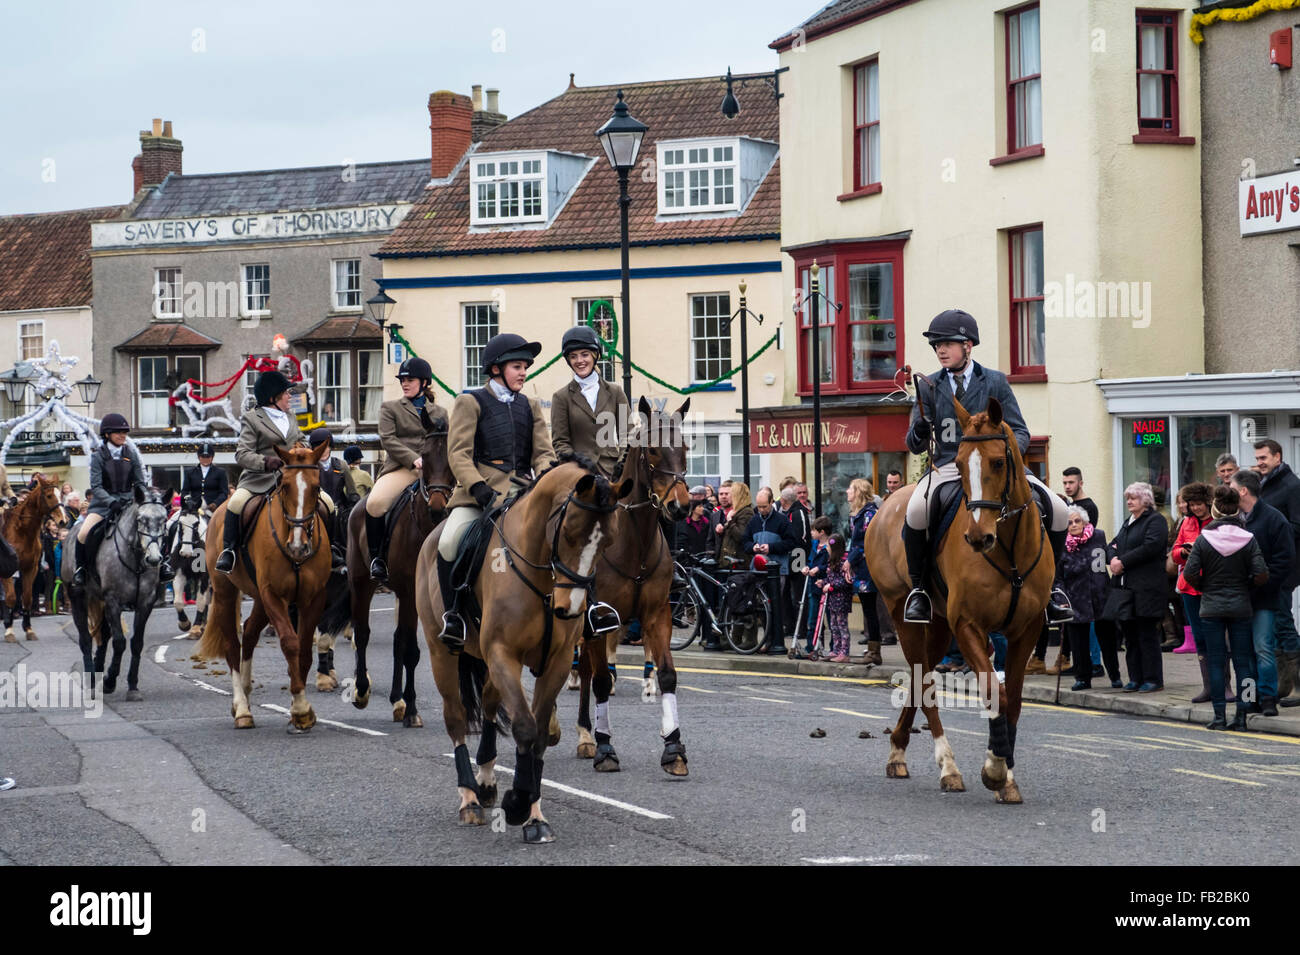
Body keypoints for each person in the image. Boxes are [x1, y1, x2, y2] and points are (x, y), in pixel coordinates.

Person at [902, 309, 1072, 624]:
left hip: (998, 467)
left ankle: (1053, 589)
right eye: (936, 345)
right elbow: (912, 444)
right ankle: (920, 591)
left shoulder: (994, 381)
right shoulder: (929, 386)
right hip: (951, 465)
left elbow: (1020, 430)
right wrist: (921, 431)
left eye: (947, 344)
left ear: (968, 345)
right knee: (915, 511)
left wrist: (1005, 457)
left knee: (1059, 510)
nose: (940, 350)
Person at [436, 333, 555, 650]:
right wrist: (478, 487)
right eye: (517, 366)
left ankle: (581, 613)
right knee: (448, 542)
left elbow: (543, 453)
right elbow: (458, 453)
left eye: (525, 367)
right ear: (496, 369)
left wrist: (546, 478)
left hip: (524, 493)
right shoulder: (470, 402)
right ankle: (455, 615)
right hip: (479, 496)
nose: (523, 373)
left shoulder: (530, 406)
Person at [215, 371, 341, 575]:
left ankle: (333, 548)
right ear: (273, 397)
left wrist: (304, 449)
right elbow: (242, 453)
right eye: (286, 393)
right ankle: (229, 551)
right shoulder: (252, 419)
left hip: (291, 478)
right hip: (260, 479)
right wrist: (266, 462)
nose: (289, 396)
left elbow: (301, 439)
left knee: (327, 503)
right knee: (236, 503)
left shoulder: (289, 417)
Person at [1182, 485, 1267, 731]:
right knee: (1245, 663)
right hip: (1241, 606)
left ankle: (1219, 715)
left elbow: (1189, 573)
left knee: (1217, 662)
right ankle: (1243, 713)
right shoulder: (1248, 539)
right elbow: (1261, 574)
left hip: (1211, 607)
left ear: (1216, 510)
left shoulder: (1204, 539)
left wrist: (1206, 585)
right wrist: (1246, 584)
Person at [363, 358, 448, 581]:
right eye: (403, 380)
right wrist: (414, 459)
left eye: (410, 380)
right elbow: (388, 439)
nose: (405, 383)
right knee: (375, 503)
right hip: (402, 468)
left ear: (424, 382)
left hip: (434, 471)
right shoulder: (390, 408)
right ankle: (377, 558)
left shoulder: (440, 412)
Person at [73, 414, 171, 588]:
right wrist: (111, 501)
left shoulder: (131, 454)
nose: (122, 435)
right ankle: (81, 569)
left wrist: (144, 498)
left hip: (129, 504)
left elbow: (140, 482)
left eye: (124, 432)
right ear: (107, 434)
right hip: (103, 506)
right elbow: (96, 486)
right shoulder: (98, 457)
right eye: (118, 432)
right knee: (83, 533)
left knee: (154, 526)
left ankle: (163, 566)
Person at [1232, 468, 1295, 715]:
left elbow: (1284, 560)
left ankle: (1268, 699)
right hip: (1238, 598)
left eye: (1233, 488)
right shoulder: (1233, 518)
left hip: (1264, 597)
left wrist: (1260, 582)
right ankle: (1249, 699)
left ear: (1243, 491)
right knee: (1244, 653)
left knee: (1263, 649)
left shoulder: (1273, 518)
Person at [1103, 482, 1170, 692]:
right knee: (1130, 634)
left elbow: (1151, 547)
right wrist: (1113, 559)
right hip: (1127, 590)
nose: (1130, 502)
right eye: (1128, 498)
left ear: (1146, 500)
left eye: (1134, 498)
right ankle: (1135, 677)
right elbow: (1112, 545)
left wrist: (1123, 562)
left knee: (1146, 634)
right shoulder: (1128, 522)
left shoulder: (1155, 520)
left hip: (1147, 588)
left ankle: (1152, 678)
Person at [550, 325, 628, 480]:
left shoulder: (616, 392)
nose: (579, 361)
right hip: (578, 475)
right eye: (573, 356)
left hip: (612, 471)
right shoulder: (561, 397)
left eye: (584, 354)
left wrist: (622, 464)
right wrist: (579, 462)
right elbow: (560, 442)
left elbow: (628, 434)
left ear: (595, 355)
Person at [1255, 438, 1300, 705]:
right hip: (1269, 567)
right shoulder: (1264, 484)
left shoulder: (1292, 486)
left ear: (1278, 456)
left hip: (1287, 566)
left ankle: (1297, 686)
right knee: (1275, 624)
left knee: (1283, 623)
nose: (1260, 462)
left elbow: (1297, 526)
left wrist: (1269, 531)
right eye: (1258, 458)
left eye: (1264, 458)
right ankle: (1284, 684)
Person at [1055, 505, 1114, 689]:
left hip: (1100, 595)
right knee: (1078, 643)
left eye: (1077, 521)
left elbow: (1109, 554)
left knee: (1108, 639)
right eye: (1069, 522)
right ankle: (1082, 678)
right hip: (1075, 597)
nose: (1073, 525)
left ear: (1085, 522)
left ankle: (1115, 675)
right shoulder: (1062, 544)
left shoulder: (1098, 535)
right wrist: (1062, 601)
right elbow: (1057, 578)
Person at [1169, 484, 1215, 697]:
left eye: (1199, 504)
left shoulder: (1216, 522)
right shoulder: (1186, 522)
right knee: (1199, 638)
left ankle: (1222, 685)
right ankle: (1208, 686)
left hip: (1211, 586)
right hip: (1189, 587)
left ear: (1208, 503)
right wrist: (1185, 552)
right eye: (1192, 504)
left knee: (1214, 637)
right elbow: (1175, 553)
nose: (1196, 508)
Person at [742, 487, 794, 652]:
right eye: (759, 507)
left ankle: (775, 641)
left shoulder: (782, 520)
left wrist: (770, 548)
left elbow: (791, 542)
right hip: (757, 569)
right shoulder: (754, 521)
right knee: (761, 607)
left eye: (765, 506)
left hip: (777, 569)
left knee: (775, 605)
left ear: (772, 502)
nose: (761, 510)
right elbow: (745, 542)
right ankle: (767, 639)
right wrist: (754, 547)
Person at [309, 428, 359, 571]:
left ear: (331, 447)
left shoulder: (342, 465)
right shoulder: (311, 467)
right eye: (319, 448)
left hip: (340, 509)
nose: (323, 451)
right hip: (318, 508)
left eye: (326, 447)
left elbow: (352, 492)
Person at [846, 478, 883, 665]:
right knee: (868, 610)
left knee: (870, 610)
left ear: (858, 492)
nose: (847, 492)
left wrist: (850, 560)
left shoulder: (869, 514)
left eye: (850, 489)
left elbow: (866, 544)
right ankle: (872, 647)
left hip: (869, 568)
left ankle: (875, 651)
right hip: (860, 568)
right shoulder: (857, 514)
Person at [817, 534, 854, 662]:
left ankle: (844, 652)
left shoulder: (844, 563)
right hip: (832, 600)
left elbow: (846, 581)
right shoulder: (831, 561)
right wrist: (822, 582)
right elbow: (831, 578)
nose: (826, 547)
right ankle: (836, 650)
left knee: (842, 626)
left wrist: (830, 586)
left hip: (841, 600)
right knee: (833, 626)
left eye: (828, 546)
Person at [182, 443, 230, 512]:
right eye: (203, 456)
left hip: (213, 508)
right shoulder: (189, 472)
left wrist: (215, 503)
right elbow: (184, 491)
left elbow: (224, 493)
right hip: (194, 507)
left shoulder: (220, 472)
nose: (205, 459)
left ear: (212, 457)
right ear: (199, 457)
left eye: (208, 456)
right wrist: (189, 500)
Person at [716, 481, 753, 564]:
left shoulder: (746, 512)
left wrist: (730, 520)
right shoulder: (737, 511)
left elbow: (741, 536)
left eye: (731, 493)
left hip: (738, 562)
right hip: (729, 560)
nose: (728, 497)